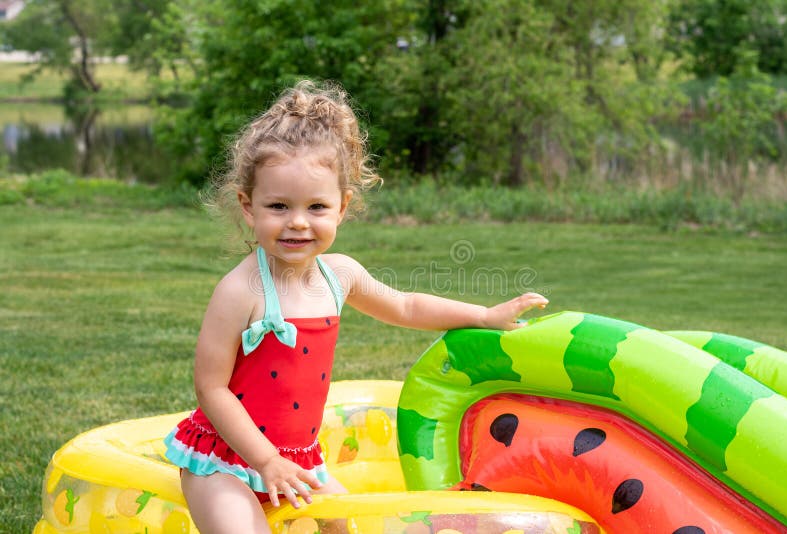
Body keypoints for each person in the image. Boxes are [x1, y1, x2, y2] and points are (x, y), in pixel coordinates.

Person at [163, 80, 549, 533]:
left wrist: (483, 316)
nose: (298, 222)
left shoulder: (339, 274)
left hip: (297, 458)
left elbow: (406, 306)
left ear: (343, 207)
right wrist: (264, 461)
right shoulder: (241, 290)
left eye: (317, 206)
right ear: (249, 207)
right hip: (225, 461)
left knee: (344, 526)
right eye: (279, 206)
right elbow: (211, 388)